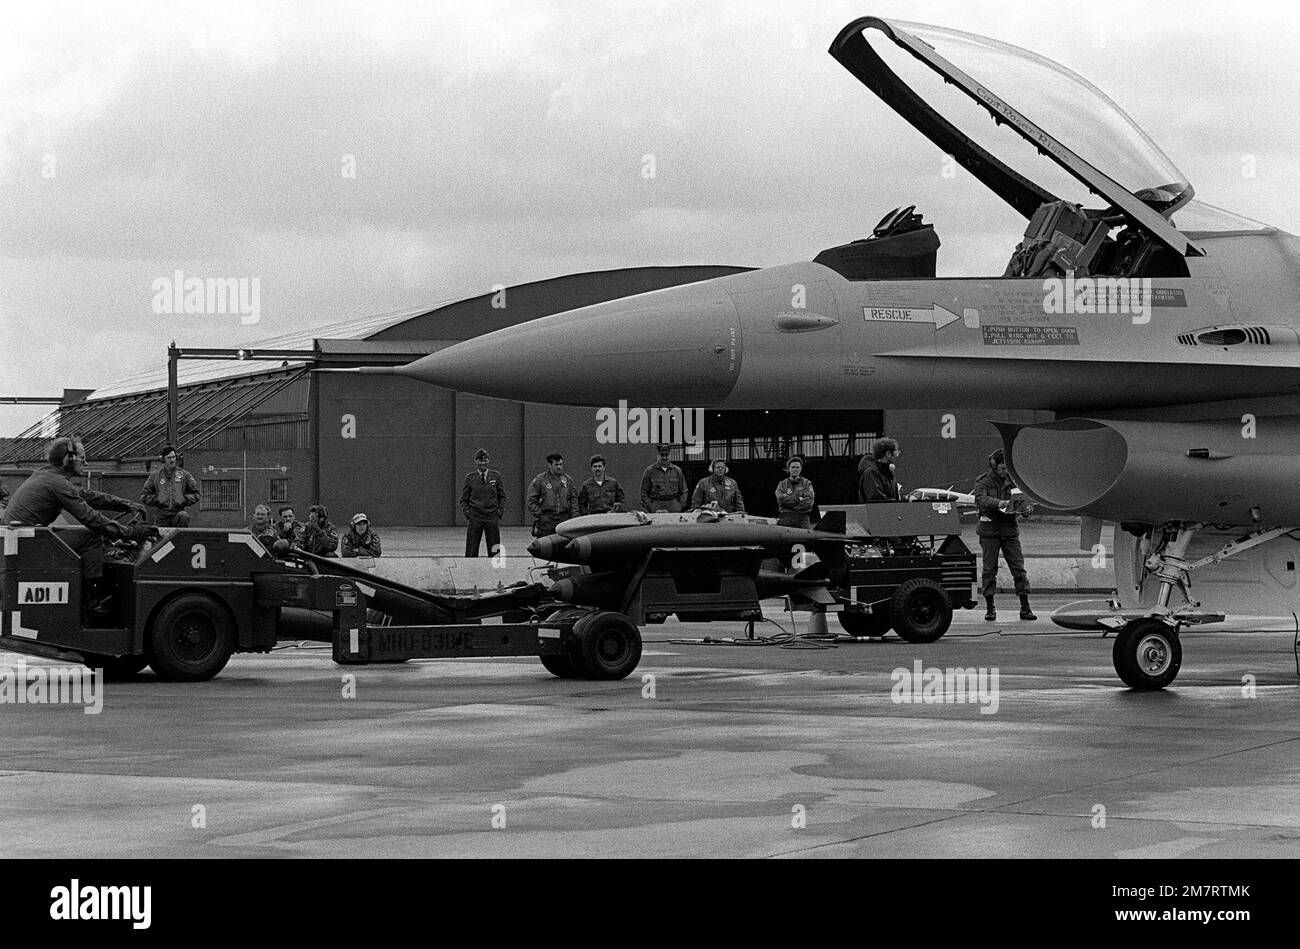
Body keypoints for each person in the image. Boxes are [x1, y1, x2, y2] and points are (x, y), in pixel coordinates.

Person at [4, 436, 148, 599]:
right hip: (29, 545)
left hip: (23, 542)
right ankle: (90, 598)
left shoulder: (47, 475)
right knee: (93, 537)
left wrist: (124, 503)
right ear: (68, 459)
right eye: (82, 457)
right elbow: (91, 519)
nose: (85, 463)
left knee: (82, 534)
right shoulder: (57, 483)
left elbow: (85, 495)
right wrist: (131, 532)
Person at [974, 448, 1036, 621]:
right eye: (1002, 468)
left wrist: (1027, 510)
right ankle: (990, 607)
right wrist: (1000, 503)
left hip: (1009, 531)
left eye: (1006, 468)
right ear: (994, 466)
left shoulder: (1014, 481)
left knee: (1018, 569)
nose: (1004, 471)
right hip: (990, 532)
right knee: (989, 570)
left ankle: (1025, 606)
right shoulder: (983, 482)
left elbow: (1026, 500)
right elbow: (980, 500)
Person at [141, 445, 200, 527]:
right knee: (159, 537)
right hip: (161, 515)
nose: (172, 460)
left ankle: (180, 539)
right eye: (169, 458)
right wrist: (157, 499)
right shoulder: (155, 475)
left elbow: (196, 493)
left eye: (173, 457)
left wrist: (184, 499)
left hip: (178, 512)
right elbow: (144, 495)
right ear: (163, 459)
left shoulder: (184, 475)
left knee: (184, 516)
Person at [461, 448, 505, 557]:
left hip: (492, 516)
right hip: (476, 516)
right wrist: (468, 513)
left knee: (495, 549)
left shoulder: (496, 476)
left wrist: (499, 512)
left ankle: (495, 570)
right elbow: (464, 499)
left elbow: (502, 496)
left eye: (485, 460)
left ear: (488, 461)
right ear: (476, 462)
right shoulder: (470, 478)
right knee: (471, 549)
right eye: (480, 461)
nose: (482, 463)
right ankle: (469, 569)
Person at [527, 452, 578, 537]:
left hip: (564, 520)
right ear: (549, 465)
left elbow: (574, 500)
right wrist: (539, 515)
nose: (559, 467)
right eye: (556, 464)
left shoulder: (568, 480)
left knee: (564, 548)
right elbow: (531, 499)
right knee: (545, 548)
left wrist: (574, 517)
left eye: (561, 464)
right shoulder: (540, 480)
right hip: (547, 521)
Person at [640, 444, 688, 513]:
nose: (665, 457)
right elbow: (644, 491)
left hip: (673, 504)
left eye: (667, 455)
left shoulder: (677, 471)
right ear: (658, 455)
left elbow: (684, 490)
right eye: (662, 455)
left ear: (670, 455)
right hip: (656, 504)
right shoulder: (650, 471)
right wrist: (650, 506)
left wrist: (680, 505)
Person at [775, 456, 815, 528]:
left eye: (797, 467)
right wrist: (799, 499)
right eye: (793, 467)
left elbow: (808, 502)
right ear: (789, 469)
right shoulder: (782, 484)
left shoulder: (807, 483)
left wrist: (790, 506)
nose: (795, 469)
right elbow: (781, 499)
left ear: (801, 469)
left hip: (803, 519)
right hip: (785, 518)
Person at [859, 437, 900, 503]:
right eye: (896, 453)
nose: (897, 456)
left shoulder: (889, 475)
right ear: (888, 454)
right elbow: (877, 500)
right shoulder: (871, 473)